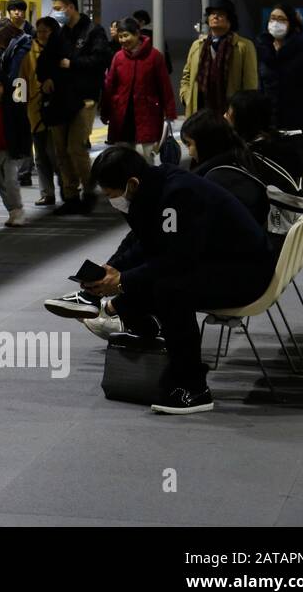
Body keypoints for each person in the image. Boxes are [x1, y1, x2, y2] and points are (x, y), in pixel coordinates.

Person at [45, 147, 274, 414]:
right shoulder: (154, 188)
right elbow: (144, 241)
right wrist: (112, 268)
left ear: (131, 183)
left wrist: (122, 281)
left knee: (169, 290)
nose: (112, 202)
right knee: (155, 282)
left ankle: (194, 387)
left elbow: (176, 259)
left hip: (246, 274)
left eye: (111, 195)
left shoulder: (176, 195)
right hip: (225, 263)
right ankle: (106, 305)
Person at [40, 0, 110, 214]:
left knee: (76, 148)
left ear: (71, 7)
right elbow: (45, 61)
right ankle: (69, 196)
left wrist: (73, 64)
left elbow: (101, 60)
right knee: (60, 151)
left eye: (59, 8)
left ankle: (89, 191)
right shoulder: (59, 34)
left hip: (84, 99)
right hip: (60, 99)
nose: (56, 13)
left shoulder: (93, 31)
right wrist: (46, 78)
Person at [257, 3, 303, 196]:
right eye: (272, 18)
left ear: (292, 23)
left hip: (301, 119)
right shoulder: (264, 50)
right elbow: (261, 86)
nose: (275, 23)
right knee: (275, 169)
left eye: (281, 19)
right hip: (271, 120)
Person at [101, 16, 177, 162]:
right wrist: (105, 111)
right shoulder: (118, 57)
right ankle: (128, 183)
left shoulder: (155, 57)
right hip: (122, 116)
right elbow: (109, 86)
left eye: (126, 35)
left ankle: (148, 183)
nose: (123, 40)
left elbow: (165, 87)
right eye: (120, 36)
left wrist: (170, 113)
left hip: (147, 114)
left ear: (137, 33)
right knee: (123, 156)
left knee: (147, 156)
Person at [180, 0, 258, 117]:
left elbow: (250, 84)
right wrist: (186, 96)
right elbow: (186, 76)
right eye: (212, 14)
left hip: (230, 113)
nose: (215, 17)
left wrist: (242, 108)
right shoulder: (198, 45)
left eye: (221, 14)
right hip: (200, 111)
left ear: (230, 19)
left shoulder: (243, 46)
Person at [226, 89, 303, 194]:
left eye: (229, 114)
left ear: (242, 120)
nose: (224, 116)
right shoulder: (285, 144)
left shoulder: (250, 159)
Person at [21, 15, 64, 207]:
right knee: (41, 156)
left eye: (45, 31)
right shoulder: (29, 55)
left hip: (57, 111)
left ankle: (67, 188)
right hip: (35, 112)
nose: (42, 35)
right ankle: (47, 193)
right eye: (39, 31)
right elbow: (21, 81)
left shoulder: (63, 52)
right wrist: (19, 106)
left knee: (58, 155)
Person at [0, 72, 31, 226]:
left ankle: (18, 209)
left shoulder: (14, 104)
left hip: (10, 150)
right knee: (0, 183)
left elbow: (24, 127)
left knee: (11, 181)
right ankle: (12, 211)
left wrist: (25, 149)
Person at [0, 17, 35, 188]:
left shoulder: (22, 47)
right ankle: (23, 170)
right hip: (18, 92)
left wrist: (13, 98)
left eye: (0, 41)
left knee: (22, 130)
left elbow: (18, 75)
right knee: (22, 131)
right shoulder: (17, 44)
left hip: (20, 92)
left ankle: (24, 171)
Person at [132, 9, 172, 73]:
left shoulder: (143, 35)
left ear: (142, 22)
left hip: (150, 69)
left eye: (134, 22)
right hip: (162, 67)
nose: (133, 24)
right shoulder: (157, 32)